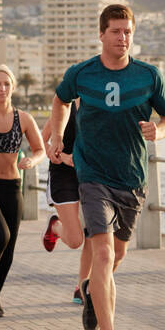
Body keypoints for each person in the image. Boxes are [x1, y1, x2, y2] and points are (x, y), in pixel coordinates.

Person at [46, 4, 165, 330]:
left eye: (128, 32)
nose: (122, 38)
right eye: (116, 31)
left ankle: (91, 290)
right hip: (92, 177)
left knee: (117, 257)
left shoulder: (148, 76)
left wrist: (161, 131)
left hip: (132, 180)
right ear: (102, 34)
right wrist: (57, 134)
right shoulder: (82, 73)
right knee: (102, 254)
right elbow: (59, 100)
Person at [0, 65, 46, 316]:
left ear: (13, 87)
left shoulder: (24, 118)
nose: (2, 88)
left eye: (6, 84)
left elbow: (39, 150)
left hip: (12, 188)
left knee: (9, 249)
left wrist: (32, 162)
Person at [42, 98, 92, 306]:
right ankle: (55, 226)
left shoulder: (100, 106)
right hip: (63, 175)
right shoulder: (64, 106)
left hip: (92, 176)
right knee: (75, 240)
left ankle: (82, 286)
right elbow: (41, 141)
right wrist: (62, 157)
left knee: (92, 234)